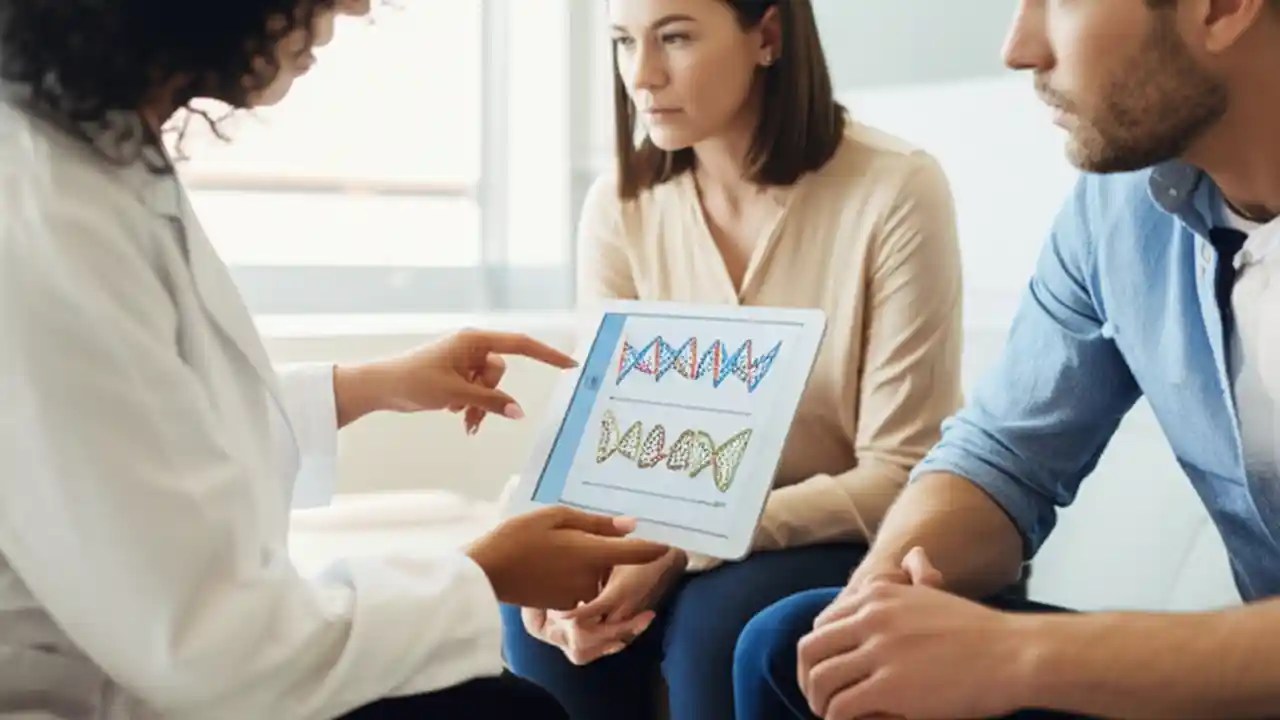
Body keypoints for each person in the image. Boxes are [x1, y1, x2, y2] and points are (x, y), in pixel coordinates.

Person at [0, 2, 671, 718]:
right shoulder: (43, 213)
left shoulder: (97, 160)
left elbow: (145, 436)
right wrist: (484, 573)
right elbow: (208, 644)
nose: (356, 5)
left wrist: (368, 389)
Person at [734, 0, 1280, 718]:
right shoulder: (1118, 208)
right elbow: (1000, 460)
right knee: (813, 644)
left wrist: (1018, 657)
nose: (1019, 48)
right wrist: (886, 596)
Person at [498, 0, 964, 717]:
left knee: (719, 626)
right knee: (540, 620)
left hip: (834, 530)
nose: (642, 75)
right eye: (625, 43)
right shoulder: (620, 206)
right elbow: (600, 449)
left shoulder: (895, 190)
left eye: (676, 37)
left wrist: (686, 542)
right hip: (664, 531)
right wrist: (563, 544)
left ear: (768, 36)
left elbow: (900, 474)